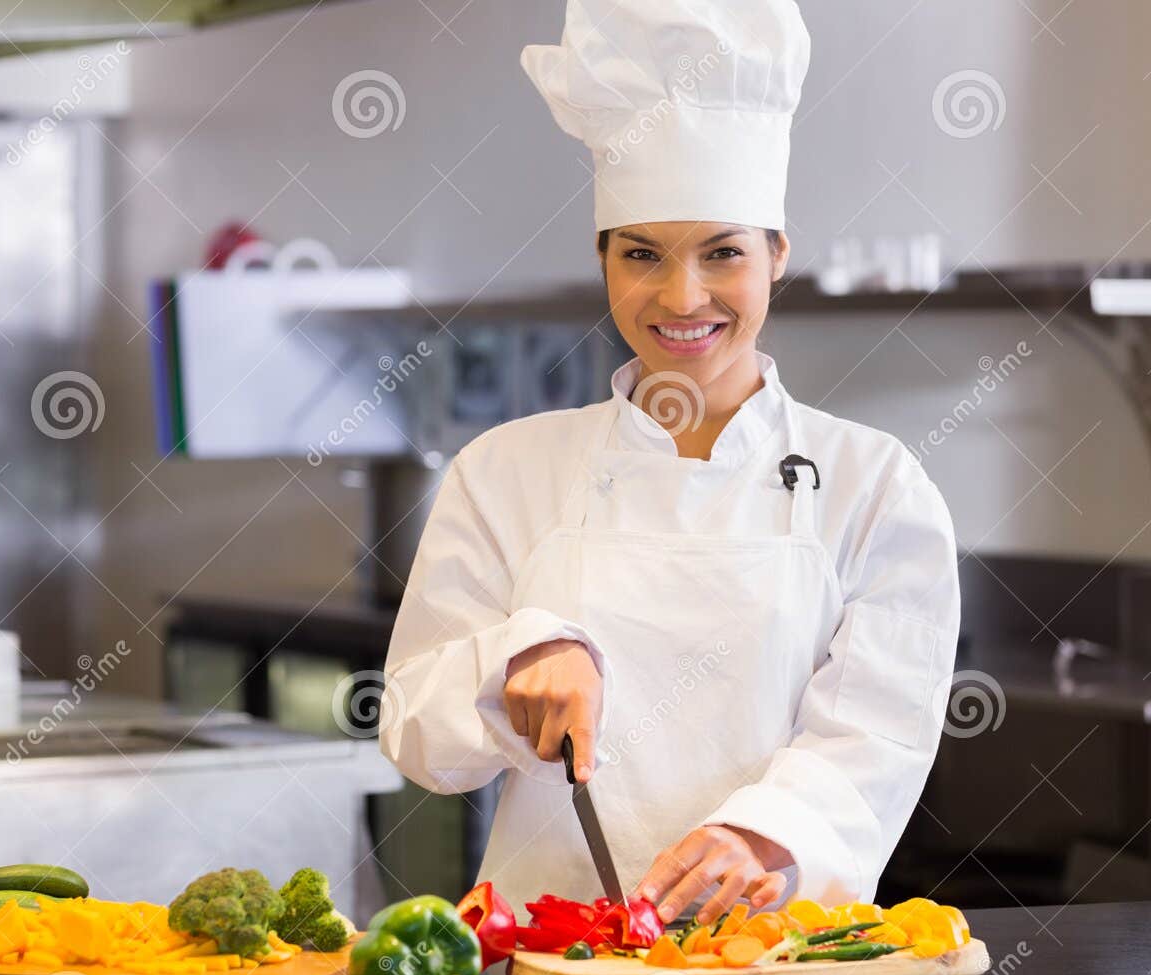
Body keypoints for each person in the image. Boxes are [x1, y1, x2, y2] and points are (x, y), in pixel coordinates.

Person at [379, 0, 960, 927]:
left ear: (776, 255)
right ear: (605, 259)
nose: (682, 296)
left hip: (776, 960)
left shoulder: (878, 488)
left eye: (722, 253)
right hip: (542, 967)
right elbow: (412, 728)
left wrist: (762, 833)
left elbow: (879, 735)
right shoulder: (506, 473)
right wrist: (517, 653)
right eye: (643, 254)